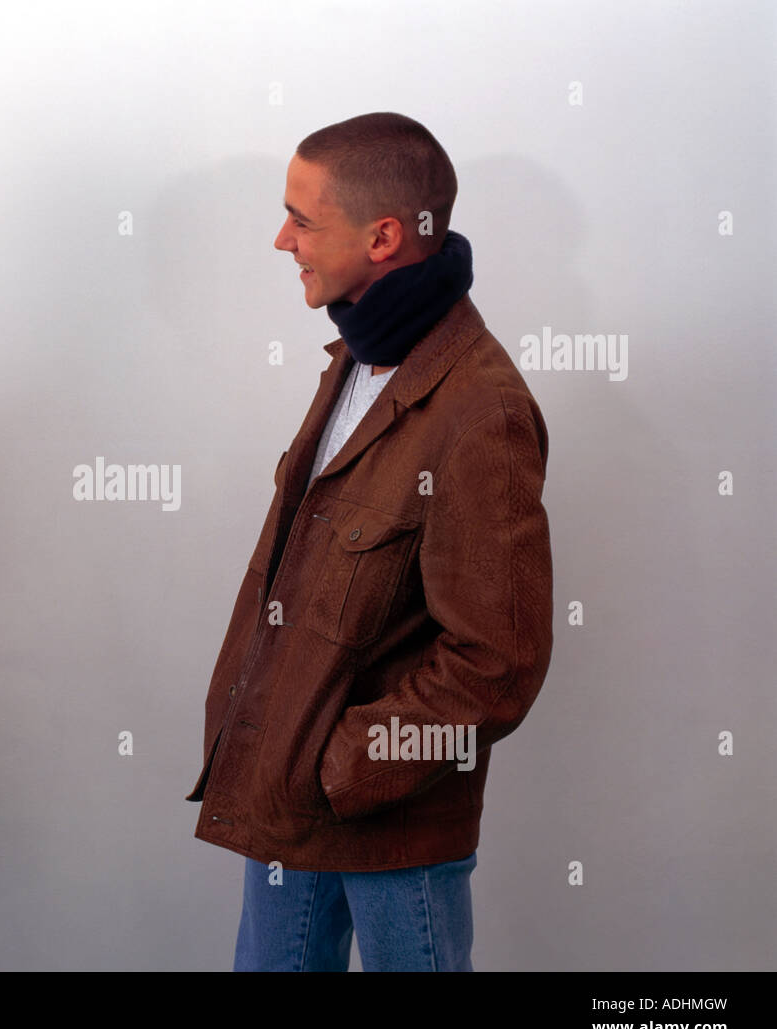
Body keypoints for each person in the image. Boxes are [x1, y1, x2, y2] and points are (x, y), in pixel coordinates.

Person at [186, 113, 554, 972]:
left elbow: (497, 662)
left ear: (383, 236)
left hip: (393, 838)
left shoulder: (480, 408)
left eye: (302, 219)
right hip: (288, 807)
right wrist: (294, 760)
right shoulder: (360, 353)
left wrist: (341, 764)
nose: (282, 240)